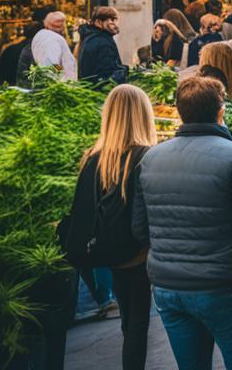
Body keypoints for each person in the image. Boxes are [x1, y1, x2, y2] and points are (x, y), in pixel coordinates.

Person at [133, 75, 232, 370]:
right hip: (223, 284)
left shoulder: (150, 159)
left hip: (169, 288)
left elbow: (139, 229)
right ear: (220, 110)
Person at [63, 84, 157, 370]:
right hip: (138, 255)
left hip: (108, 252)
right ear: (143, 115)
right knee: (137, 325)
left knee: (130, 321)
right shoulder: (146, 156)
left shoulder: (93, 157)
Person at [78, 6, 128, 86]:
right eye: (110, 19)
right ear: (98, 22)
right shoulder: (103, 41)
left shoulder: (90, 37)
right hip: (100, 90)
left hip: (89, 87)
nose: (114, 23)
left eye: (115, 19)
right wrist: (123, 70)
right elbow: (107, 73)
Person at [30, 10, 77, 81]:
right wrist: (62, 72)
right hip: (59, 85)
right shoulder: (54, 39)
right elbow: (53, 64)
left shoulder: (41, 35)